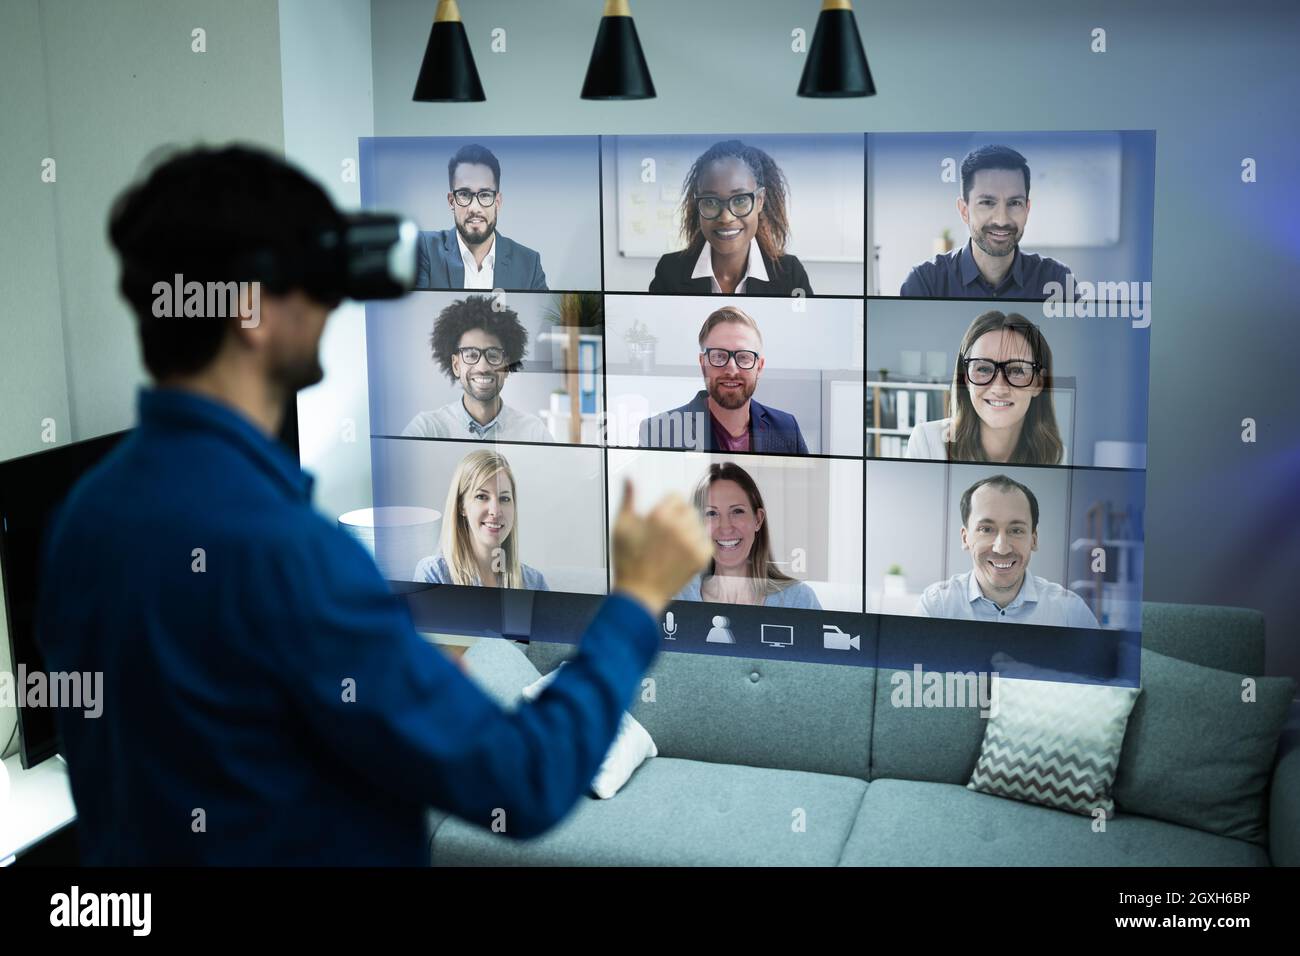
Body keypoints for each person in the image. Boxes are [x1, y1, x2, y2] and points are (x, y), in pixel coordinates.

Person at [35, 144, 713, 865]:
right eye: (312, 276)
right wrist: (638, 597)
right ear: (251, 311)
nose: (330, 300)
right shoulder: (287, 555)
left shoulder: (82, 518)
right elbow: (522, 781)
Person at [915, 474, 1099, 627]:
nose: (1001, 548)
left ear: (1033, 540)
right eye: (986, 529)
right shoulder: (936, 606)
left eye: (1016, 530)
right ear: (965, 538)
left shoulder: (1070, 611)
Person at [900, 145, 1073, 300]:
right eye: (987, 203)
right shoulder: (925, 283)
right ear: (964, 210)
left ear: (1027, 209)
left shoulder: (1057, 281)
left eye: (1014, 203)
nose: (1002, 219)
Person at [649, 140, 812, 296]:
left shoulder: (790, 275)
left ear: (760, 201)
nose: (726, 217)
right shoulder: (670, 272)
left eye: (740, 200)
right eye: (711, 202)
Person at [637, 306, 808, 453]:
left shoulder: (786, 428)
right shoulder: (658, 432)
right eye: (719, 356)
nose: (731, 369)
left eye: (743, 357)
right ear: (703, 363)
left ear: (760, 366)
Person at [905, 310, 1064, 464]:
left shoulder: (1057, 456)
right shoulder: (926, 443)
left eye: (1017, 370)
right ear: (966, 378)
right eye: (984, 369)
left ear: (1039, 383)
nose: (999, 388)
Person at [402, 294, 552, 442]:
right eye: (471, 355)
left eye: (493, 355)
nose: (483, 367)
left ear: (506, 366)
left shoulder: (534, 432)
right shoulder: (426, 429)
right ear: (456, 365)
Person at [674, 462, 821, 609]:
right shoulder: (676, 596)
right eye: (711, 513)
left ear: (758, 519)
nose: (726, 527)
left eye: (737, 511)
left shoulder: (798, 600)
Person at [415, 143, 548, 291]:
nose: (474, 208)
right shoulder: (425, 249)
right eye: (464, 194)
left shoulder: (529, 264)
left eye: (484, 195)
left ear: (497, 202)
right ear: (451, 201)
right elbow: (411, 312)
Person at [414, 449, 548, 590]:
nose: (495, 511)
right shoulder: (433, 574)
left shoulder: (534, 582)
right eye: (481, 497)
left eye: (504, 498)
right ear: (461, 506)